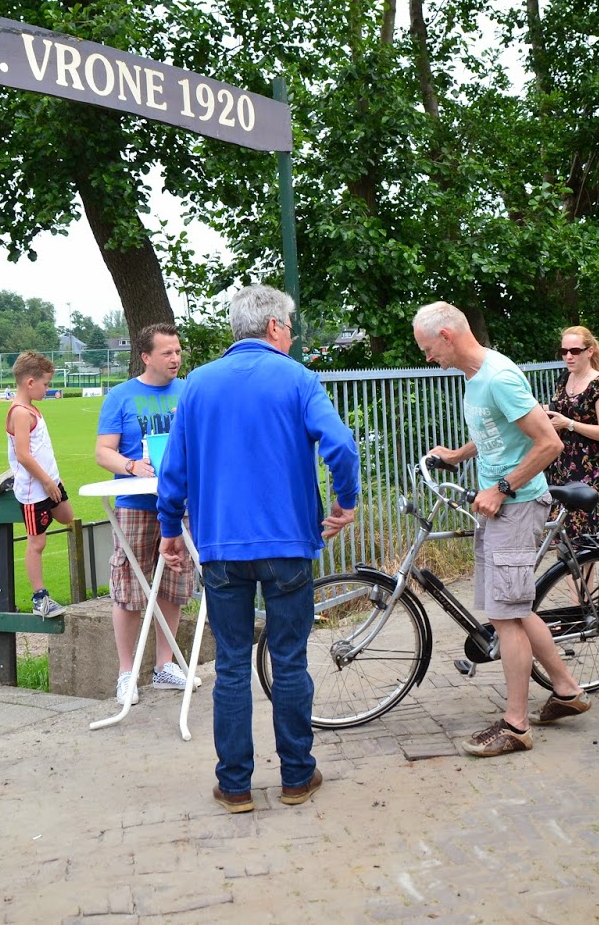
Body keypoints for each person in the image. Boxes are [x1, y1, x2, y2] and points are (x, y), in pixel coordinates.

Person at [157, 286, 360, 814]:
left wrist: (169, 530)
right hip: (288, 542)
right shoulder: (298, 379)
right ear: (274, 327)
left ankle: (236, 786)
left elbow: (173, 471)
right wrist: (346, 501)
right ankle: (296, 777)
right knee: (289, 662)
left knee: (230, 666)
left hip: (222, 545)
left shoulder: (196, 385)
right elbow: (340, 445)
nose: (290, 335)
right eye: (289, 327)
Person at [412, 301, 591, 757]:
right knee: (514, 607)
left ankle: (516, 726)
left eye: (429, 348)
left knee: (505, 616)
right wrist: (458, 455)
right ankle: (567, 690)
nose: (428, 357)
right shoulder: (475, 377)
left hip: (516, 505)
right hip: (498, 507)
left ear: (448, 336)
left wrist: (503, 488)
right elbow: (497, 431)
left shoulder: (500, 376)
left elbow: (548, 443)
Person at [94, 322, 191, 705]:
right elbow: (103, 452)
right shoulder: (121, 397)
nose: (175, 358)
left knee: (174, 586)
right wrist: (133, 467)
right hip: (135, 507)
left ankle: (165, 666)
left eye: (178, 351)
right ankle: (126, 672)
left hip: (180, 505)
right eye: (167, 352)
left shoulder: (189, 392)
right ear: (146, 357)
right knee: (129, 589)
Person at [5, 351, 72, 617]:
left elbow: (42, 448)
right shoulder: (20, 412)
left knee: (67, 516)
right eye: (45, 384)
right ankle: (40, 598)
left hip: (50, 482)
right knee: (37, 543)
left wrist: (55, 478)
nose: (48, 388)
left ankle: (44, 518)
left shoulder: (32, 407)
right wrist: (45, 480)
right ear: (30, 382)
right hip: (34, 491)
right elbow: (23, 454)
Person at [544, 325, 599, 536]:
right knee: (562, 537)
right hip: (559, 466)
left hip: (586, 469)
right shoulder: (563, 379)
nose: (568, 356)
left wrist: (568, 424)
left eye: (574, 351)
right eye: (563, 351)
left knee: (584, 539)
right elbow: (558, 411)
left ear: (589, 351)